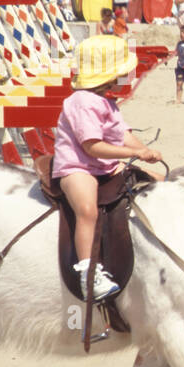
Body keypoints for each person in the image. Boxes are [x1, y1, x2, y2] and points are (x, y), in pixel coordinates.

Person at [52, 35, 163, 300]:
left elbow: (122, 135)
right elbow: (93, 147)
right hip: (78, 166)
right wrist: (135, 152)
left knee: (159, 180)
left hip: (105, 165)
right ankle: (89, 275)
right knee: (87, 210)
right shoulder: (81, 102)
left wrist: (144, 151)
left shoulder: (107, 102)